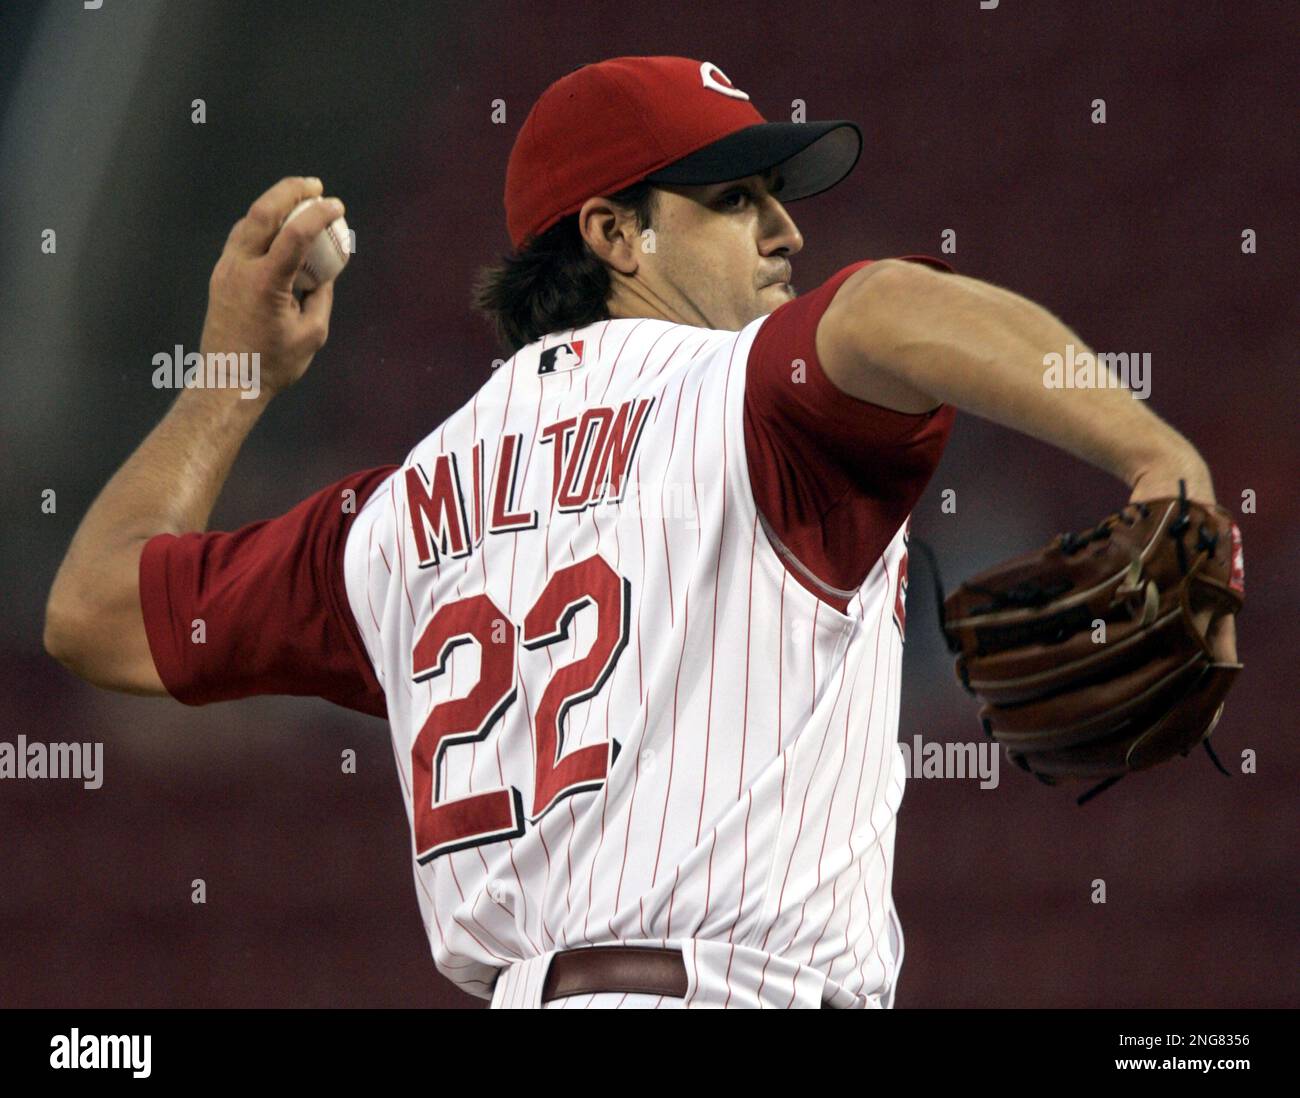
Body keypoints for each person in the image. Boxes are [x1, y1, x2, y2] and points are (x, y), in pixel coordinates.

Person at [44, 55, 1235, 1008]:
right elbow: (890, 305)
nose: (784, 232)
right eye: (732, 200)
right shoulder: (750, 396)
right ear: (614, 237)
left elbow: (92, 613)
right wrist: (1156, 457)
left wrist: (229, 381)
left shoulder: (398, 513)